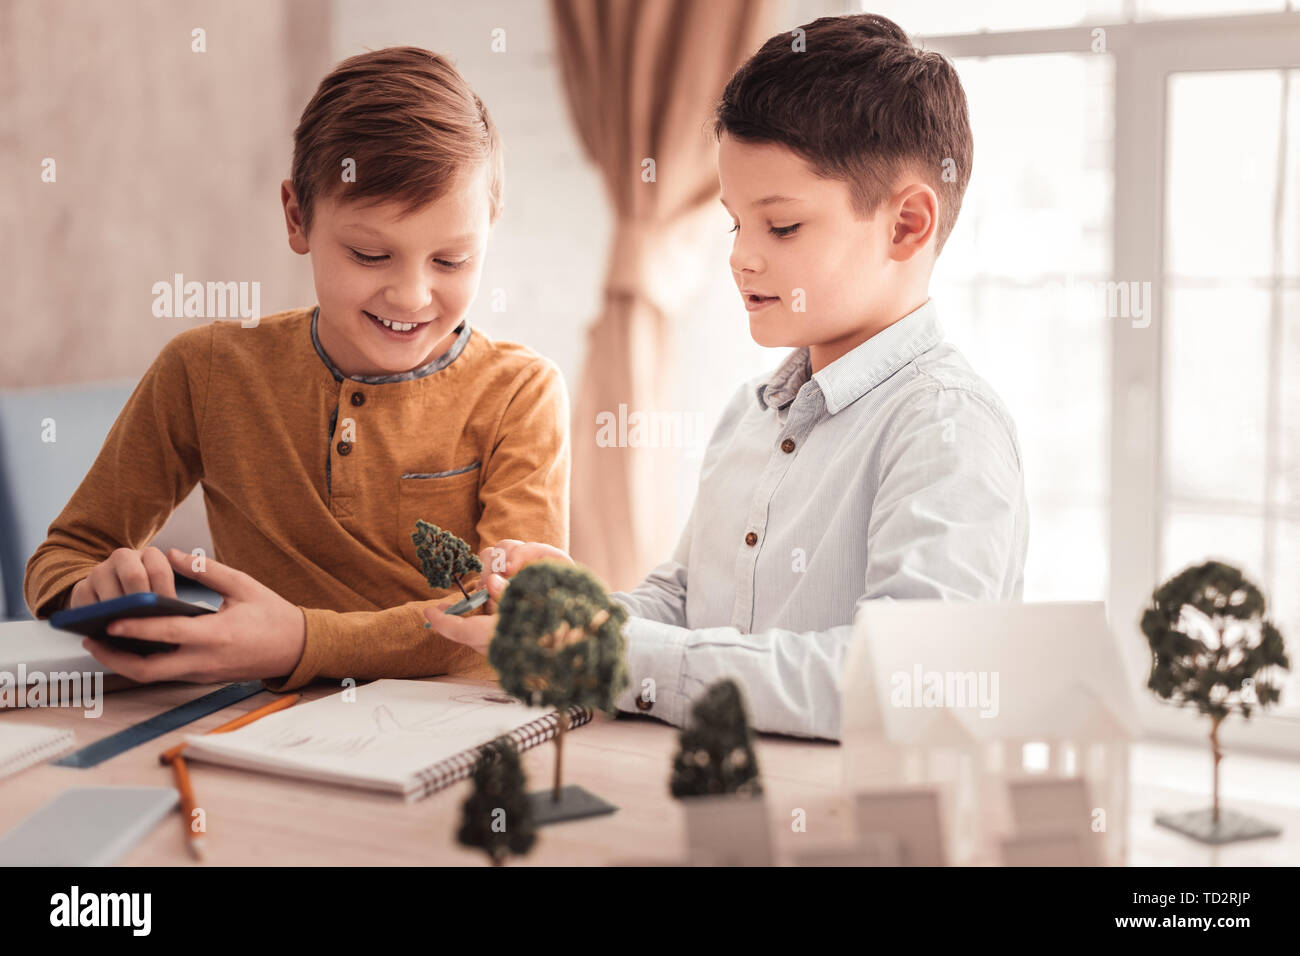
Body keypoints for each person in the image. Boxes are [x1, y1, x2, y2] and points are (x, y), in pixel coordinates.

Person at [427, 14, 1029, 741]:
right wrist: (582, 614)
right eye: (734, 223)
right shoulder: (751, 415)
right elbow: (685, 607)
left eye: (781, 228)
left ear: (906, 225)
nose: (741, 257)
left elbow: (897, 684)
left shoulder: (947, 430)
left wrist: (614, 653)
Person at [24, 47, 569, 691]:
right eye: (370, 254)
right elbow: (60, 559)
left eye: (451, 261)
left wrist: (303, 641)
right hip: (252, 726)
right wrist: (93, 592)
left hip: (453, 726)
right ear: (297, 217)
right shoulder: (205, 372)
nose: (412, 296)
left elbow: (503, 612)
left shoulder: (520, 393)